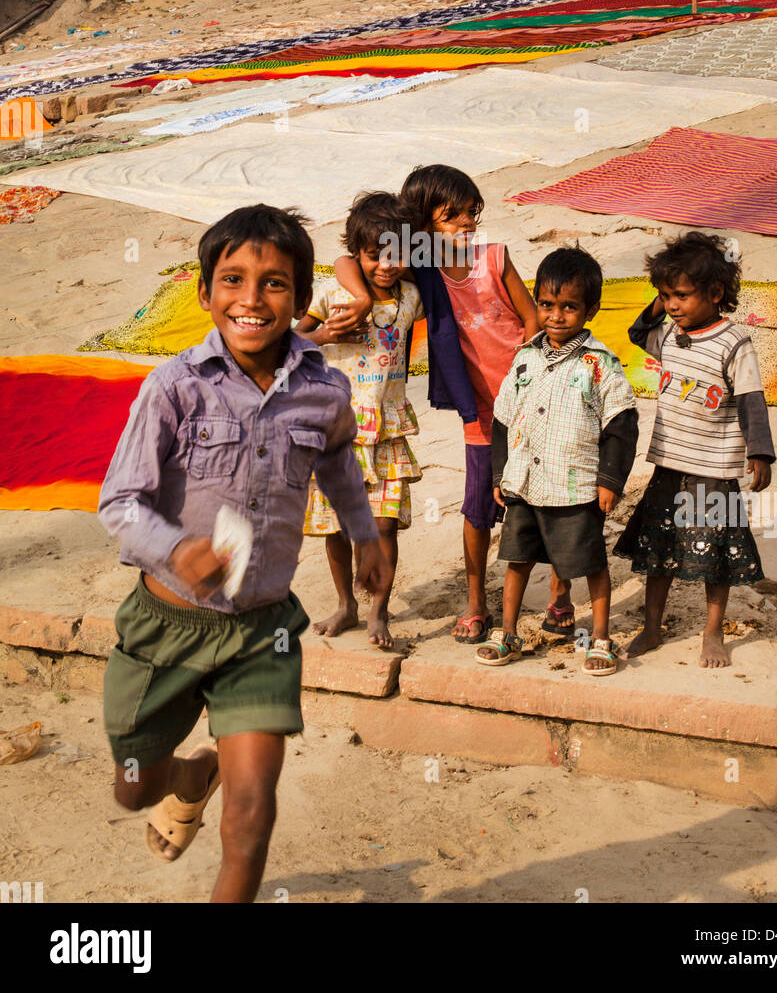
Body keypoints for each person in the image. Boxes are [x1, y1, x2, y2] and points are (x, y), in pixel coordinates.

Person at [98, 204, 387, 903]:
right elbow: (119, 503)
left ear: (301, 296)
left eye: (276, 284)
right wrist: (176, 549)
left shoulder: (324, 392)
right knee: (134, 789)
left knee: (252, 814)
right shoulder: (173, 387)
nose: (252, 300)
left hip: (262, 633)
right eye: (233, 280)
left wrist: (365, 530)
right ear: (205, 293)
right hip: (165, 625)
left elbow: (342, 461)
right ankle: (189, 775)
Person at [335, 163, 540, 645]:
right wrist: (363, 300)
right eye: (452, 216)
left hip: (528, 404)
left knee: (540, 499)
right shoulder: (420, 276)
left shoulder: (493, 257)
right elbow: (348, 260)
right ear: (423, 231)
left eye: (472, 212)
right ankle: (476, 602)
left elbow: (531, 320)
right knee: (476, 509)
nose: (467, 223)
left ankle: (557, 596)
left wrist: (529, 384)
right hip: (479, 413)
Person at [613, 231, 775, 669]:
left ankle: (712, 632)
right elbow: (636, 330)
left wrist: (760, 453)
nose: (672, 305)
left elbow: (751, 401)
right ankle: (652, 626)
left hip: (714, 468)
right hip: (669, 463)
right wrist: (660, 294)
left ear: (715, 292)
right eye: (666, 296)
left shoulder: (733, 343)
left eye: (681, 295)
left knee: (714, 557)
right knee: (658, 553)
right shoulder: (667, 335)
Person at [477, 246, 638, 673]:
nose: (556, 316)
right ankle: (508, 632)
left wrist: (609, 482)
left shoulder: (600, 365)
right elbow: (502, 420)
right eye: (547, 305)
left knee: (590, 563)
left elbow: (621, 425)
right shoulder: (525, 359)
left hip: (575, 484)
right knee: (517, 560)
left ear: (591, 309)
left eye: (569, 307)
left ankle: (600, 639)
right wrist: (499, 472)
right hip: (526, 483)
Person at [296, 191, 424, 649]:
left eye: (397, 254)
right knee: (335, 526)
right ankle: (346, 604)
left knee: (384, 525)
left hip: (388, 431)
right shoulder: (332, 294)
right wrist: (326, 331)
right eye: (374, 256)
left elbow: (436, 262)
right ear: (357, 253)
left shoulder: (409, 297)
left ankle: (378, 612)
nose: (386, 265)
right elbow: (295, 341)